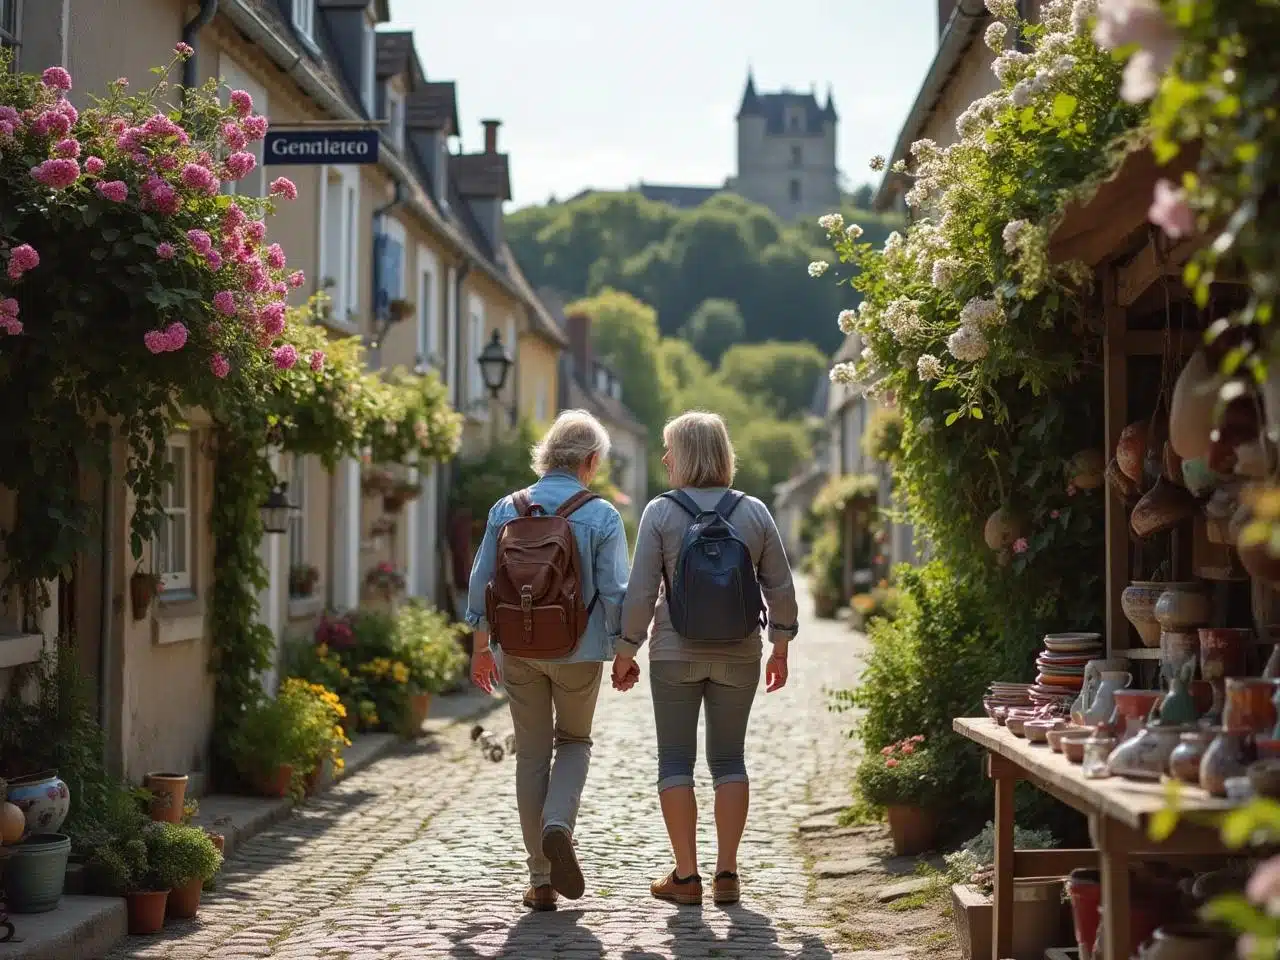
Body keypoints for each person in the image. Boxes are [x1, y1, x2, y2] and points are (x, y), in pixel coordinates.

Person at [615, 411, 798, 907]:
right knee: (729, 760)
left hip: (674, 654)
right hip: (740, 653)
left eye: (669, 449)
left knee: (675, 760)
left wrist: (625, 651)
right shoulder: (754, 511)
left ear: (685, 455)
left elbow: (640, 592)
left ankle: (686, 877)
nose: (665, 458)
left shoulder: (660, 512)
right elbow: (779, 585)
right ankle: (728, 874)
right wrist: (780, 647)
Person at [466, 410, 630, 912]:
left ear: (546, 455)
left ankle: (539, 879)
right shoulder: (601, 515)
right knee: (574, 741)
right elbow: (616, 593)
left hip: (517, 649)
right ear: (591, 461)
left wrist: (479, 648)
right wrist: (625, 651)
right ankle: (559, 823)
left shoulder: (506, 508)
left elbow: (482, 581)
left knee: (532, 755)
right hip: (579, 650)